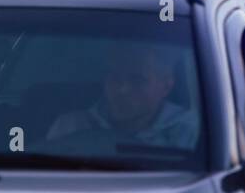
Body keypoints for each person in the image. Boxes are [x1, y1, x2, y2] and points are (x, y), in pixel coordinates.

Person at [47, 48, 198, 150]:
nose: (122, 89)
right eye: (115, 77)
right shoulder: (70, 127)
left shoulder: (190, 134)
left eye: (138, 80)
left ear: (166, 86)